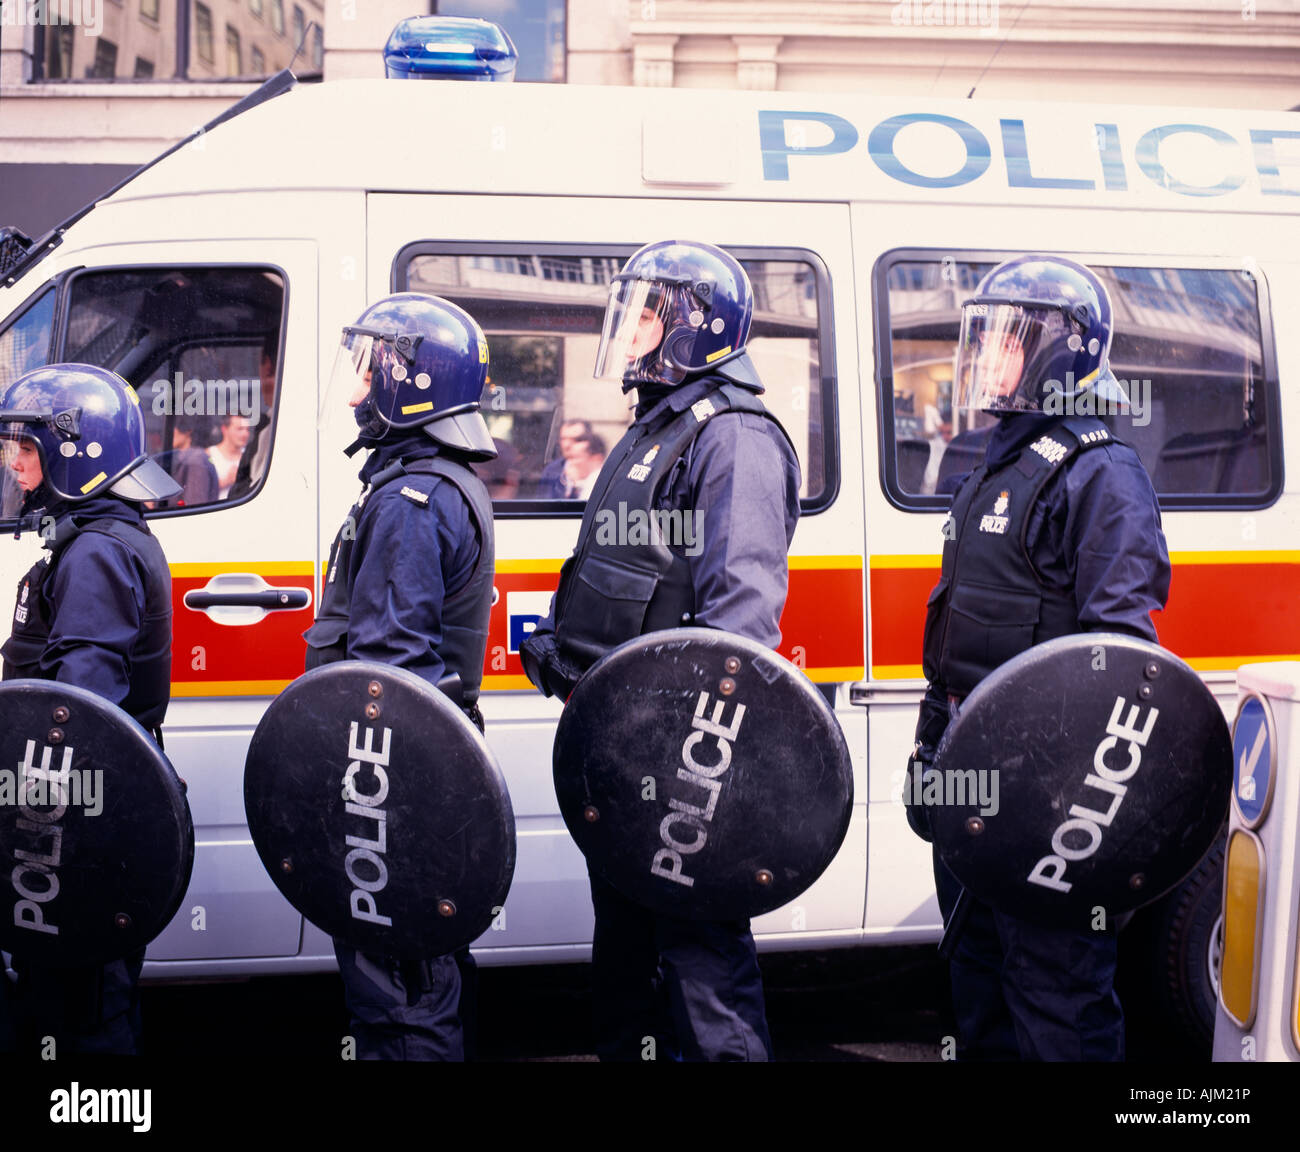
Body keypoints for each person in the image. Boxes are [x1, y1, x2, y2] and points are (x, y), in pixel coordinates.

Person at [521, 240, 801, 1062]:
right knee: (631, 972)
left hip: (684, 764)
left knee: (702, 972)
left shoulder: (735, 437)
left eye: (647, 312)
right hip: (627, 747)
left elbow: (738, 629)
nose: (629, 327)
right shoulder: (661, 426)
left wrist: (696, 773)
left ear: (692, 327)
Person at [909, 255, 1172, 1062]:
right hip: (973, 775)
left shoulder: (1103, 473)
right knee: (979, 986)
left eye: (1006, 341)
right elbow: (957, 627)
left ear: (1061, 350)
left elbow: (1118, 660)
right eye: (981, 340)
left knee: (1058, 1002)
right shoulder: (991, 461)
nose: (985, 359)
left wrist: (1076, 805)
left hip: (1049, 796)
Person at [303, 292, 496, 1061]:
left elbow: (389, 669)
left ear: (409, 384)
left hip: (398, 775)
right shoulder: (431, 482)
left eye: (368, 366)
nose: (354, 386)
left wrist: (363, 788)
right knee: (421, 962)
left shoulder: (411, 500)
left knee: (398, 983)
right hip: (425, 770)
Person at [0, 362, 181, 1056]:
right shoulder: (95, 537)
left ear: (76, 452)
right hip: (89, 809)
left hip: (84, 822)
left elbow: (77, 719)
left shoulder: (96, 553)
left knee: (81, 1011)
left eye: (27, 445)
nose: (13, 461)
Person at [207, 413, 252, 499]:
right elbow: (200, 489)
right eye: (240, 429)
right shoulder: (209, 455)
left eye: (247, 430)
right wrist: (226, 481)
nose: (245, 434)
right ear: (224, 429)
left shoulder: (250, 456)